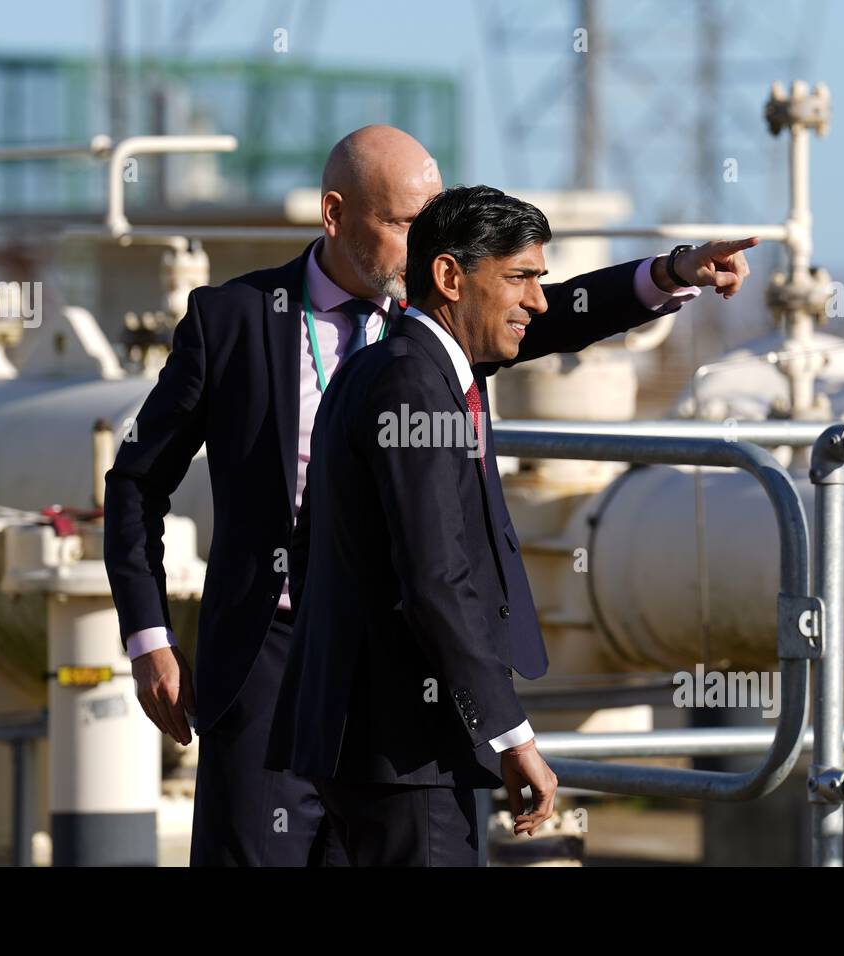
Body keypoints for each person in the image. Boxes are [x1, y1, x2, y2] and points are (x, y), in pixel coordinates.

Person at [104, 123, 753, 866]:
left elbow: (557, 308)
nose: (423, 243)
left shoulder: (445, 321)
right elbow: (135, 479)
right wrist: (149, 638)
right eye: (402, 224)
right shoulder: (233, 320)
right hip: (269, 660)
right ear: (334, 214)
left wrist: (671, 272)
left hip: (409, 671)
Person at [266, 185, 758, 865]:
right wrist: (510, 735)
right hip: (405, 746)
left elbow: (566, 318)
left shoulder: (403, 363)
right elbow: (436, 579)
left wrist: (670, 273)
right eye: (521, 278)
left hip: (371, 742)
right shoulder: (415, 385)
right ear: (448, 277)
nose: (538, 300)